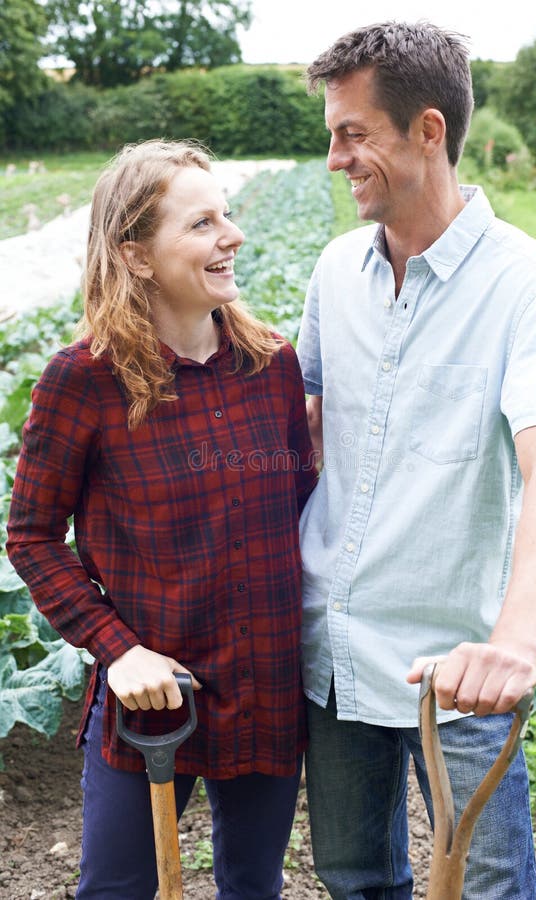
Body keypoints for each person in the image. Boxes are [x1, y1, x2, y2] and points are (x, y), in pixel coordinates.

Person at [295, 21, 536, 899]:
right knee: (354, 881)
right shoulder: (333, 272)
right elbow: (301, 432)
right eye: (331, 135)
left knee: (494, 887)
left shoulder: (527, 284)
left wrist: (513, 642)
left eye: (353, 134)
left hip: (456, 668)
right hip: (334, 651)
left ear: (428, 131)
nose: (334, 158)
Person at [6, 139, 318, 900]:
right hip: (154, 698)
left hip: (264, 685)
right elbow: (32, 536)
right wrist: (118, 651)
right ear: (137, 256)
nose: (232, 236)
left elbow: (300, 507)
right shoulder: (84, 380)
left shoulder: (270, 365)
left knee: (253, 885)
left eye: (228, 216)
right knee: (116, 888)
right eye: (202, 223)